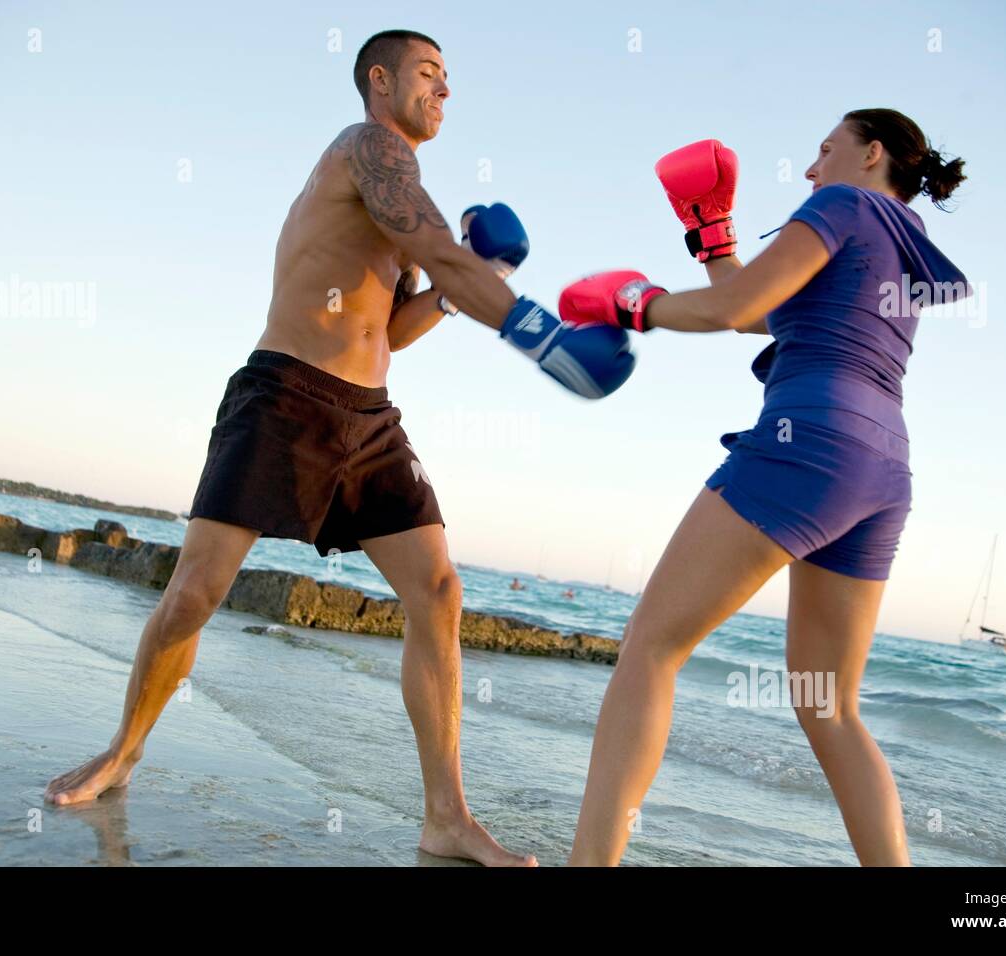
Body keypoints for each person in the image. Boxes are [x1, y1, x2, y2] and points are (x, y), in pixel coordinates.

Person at [44, 28, 634, 867]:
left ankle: (446, 816)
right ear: (379, 79)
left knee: (438, 590)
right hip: (284, 396)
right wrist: (533, 327)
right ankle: (123, 753)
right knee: (196, 592)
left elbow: (391, 326)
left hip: (369, 416)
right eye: (430, 74)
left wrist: (459, 287)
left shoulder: (400, 187)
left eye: (448, 79)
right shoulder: (369, 149)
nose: (444, 90)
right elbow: (429, 246)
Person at [557, 109, 969, 865]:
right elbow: (763, 313)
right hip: (883, 467)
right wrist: (711, 234)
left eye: (824, 151)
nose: (811, 171)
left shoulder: (842, 205)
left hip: (809, 441)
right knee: (829, 705)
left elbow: (729, 311)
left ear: (871, 153)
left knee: (651, 647)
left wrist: (632, 304)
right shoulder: (901, 247)